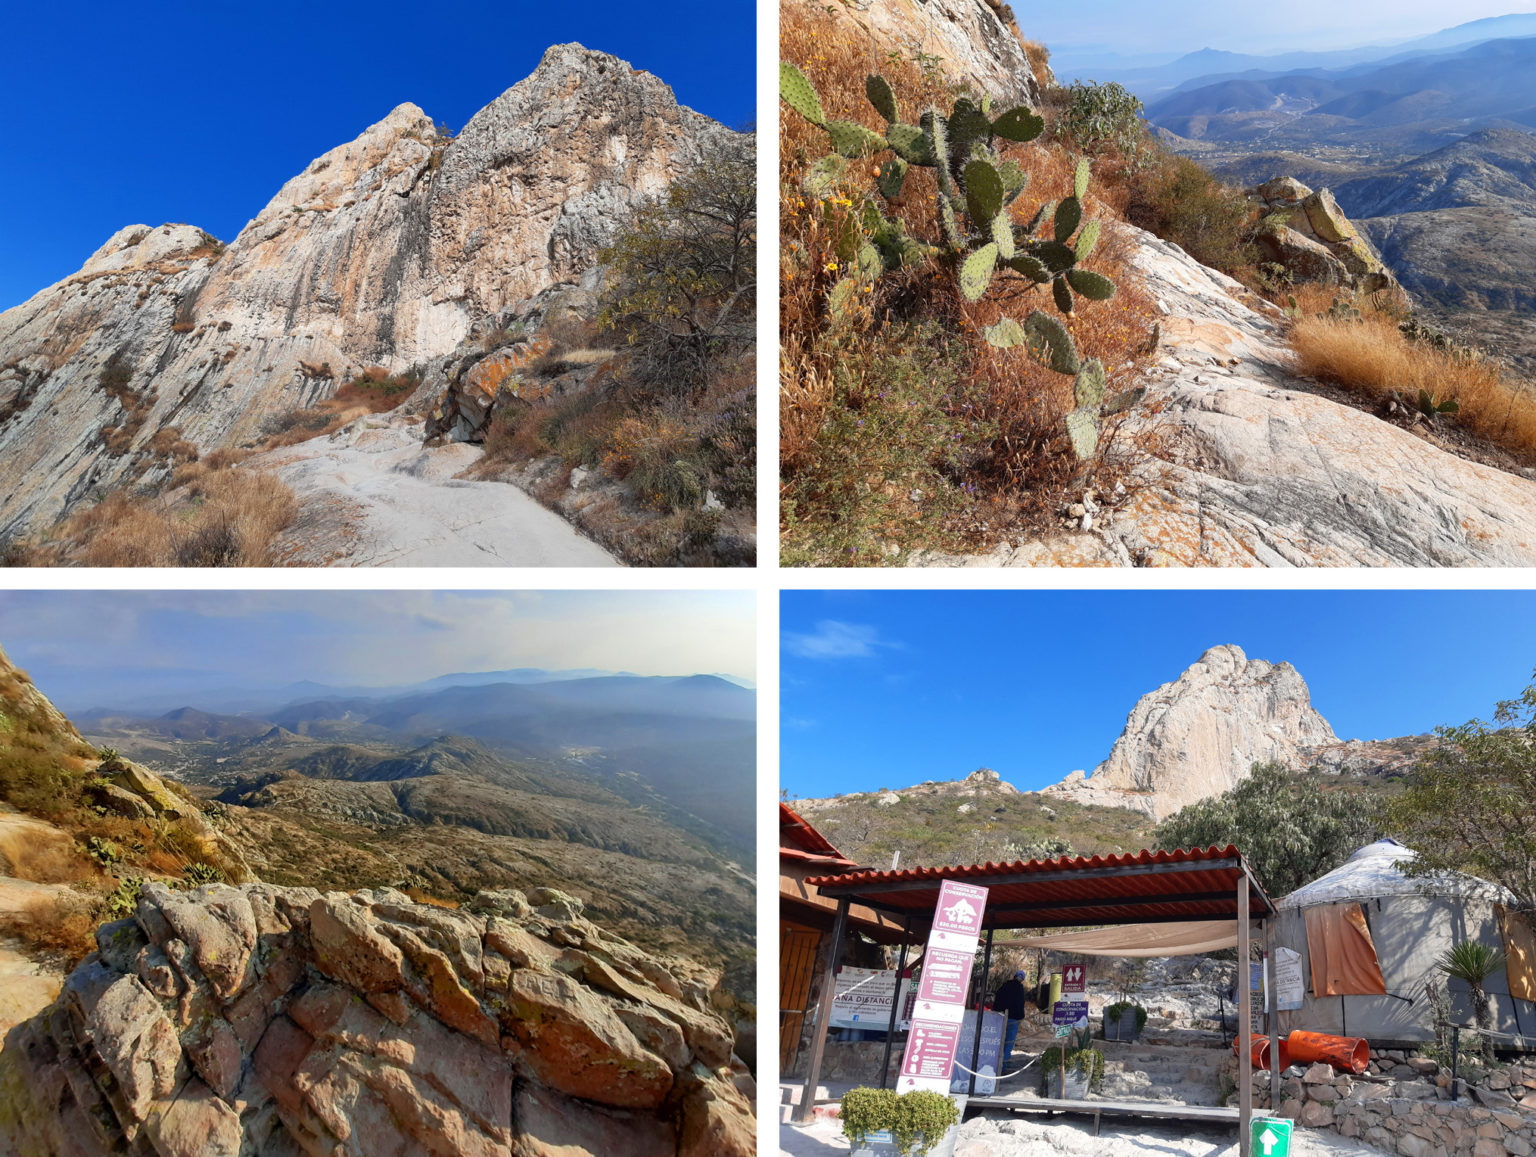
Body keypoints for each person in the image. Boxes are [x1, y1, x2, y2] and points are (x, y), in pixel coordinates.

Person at [993, 969, 1028, 1063]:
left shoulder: (1005, 985)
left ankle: (995, 1064)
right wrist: (1021, 1016)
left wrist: (997, 1011)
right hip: (1013, 1019)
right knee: (1009, 1042)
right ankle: (1003, 1065)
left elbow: (997, 999)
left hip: (1000, 1016)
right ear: (1022, 979)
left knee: (998, 1041)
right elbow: (1020, 1004)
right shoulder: (1020, 989)